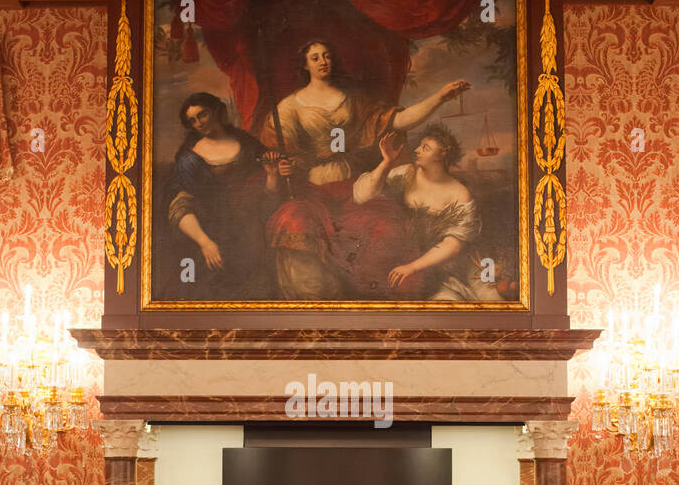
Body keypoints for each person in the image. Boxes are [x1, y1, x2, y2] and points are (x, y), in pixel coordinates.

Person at [262, 39, 470, 298]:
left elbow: (400, 120)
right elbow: (282, 156)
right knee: (296, 220)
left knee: (386, 224)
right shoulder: (289, 107)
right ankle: (318, 302)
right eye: (315, 57)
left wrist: (440, 97)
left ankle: (381, 297)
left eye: (326, 55)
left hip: (354, 188)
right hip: (313, 191)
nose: (323, 61)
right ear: (304, 65)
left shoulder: (353, 101)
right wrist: (284, 166)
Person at [162, 92, 290, 301]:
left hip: (252, 224)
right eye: (192, 121)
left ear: (216, 112)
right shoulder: (188, 159)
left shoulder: (247, 144)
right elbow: (179, 205)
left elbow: (266, 196)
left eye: (202, 114)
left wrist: (273, 174)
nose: (199, 123)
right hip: (212, 231)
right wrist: (205, 243)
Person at [353, 125, 493, 302]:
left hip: (443, 265)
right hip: (404, 254)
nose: (417, 150)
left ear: (442, 154)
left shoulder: (459, 193)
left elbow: (453, 245)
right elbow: (362, 196)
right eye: (419, 146)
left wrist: (412, 267)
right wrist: (386, 163)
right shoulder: (406, 173)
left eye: (425, 147)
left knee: (454, 300)